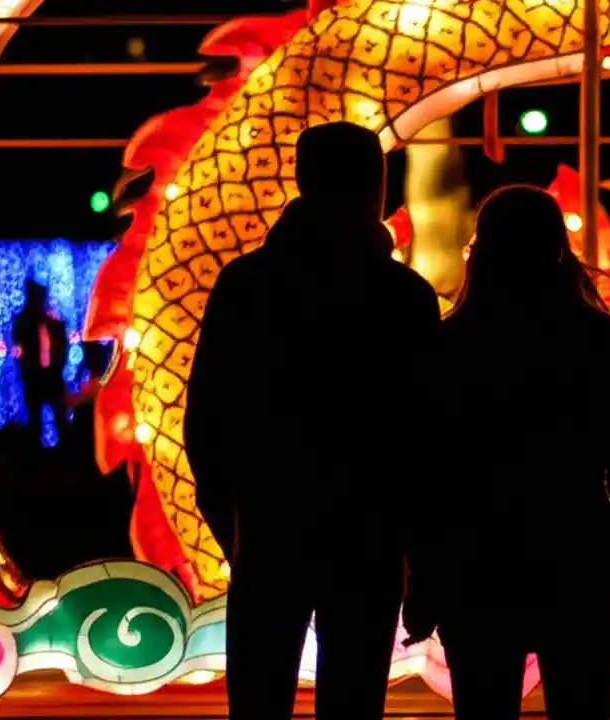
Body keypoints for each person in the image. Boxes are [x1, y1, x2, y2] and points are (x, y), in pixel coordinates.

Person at [185, 121, 441, 720]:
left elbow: (207, 422)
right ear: (375, 188)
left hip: (271, 526)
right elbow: (427, 437)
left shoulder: (245, 286)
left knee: (259, 701)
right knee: (354, 702)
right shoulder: (403, 296)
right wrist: (419, 550)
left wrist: (234, 524)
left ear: (302, 180)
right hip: (369, 538)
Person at [404, 186, 610, 720]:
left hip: (476, 568)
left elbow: (426, 480)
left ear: (481, 252)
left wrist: (424, 582)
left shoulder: (450, 344)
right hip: (577, 562)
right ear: (557, 250)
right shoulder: (597, 340)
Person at [13, 279, 69, 443]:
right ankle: (35, 451)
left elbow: (62, 346)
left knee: (59, 415)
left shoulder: (52, 323)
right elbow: (20, 350)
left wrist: (58, 366)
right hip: (34, 376)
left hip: (52, 376)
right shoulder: (23, 323)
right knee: (34, 418)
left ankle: (65, 449)